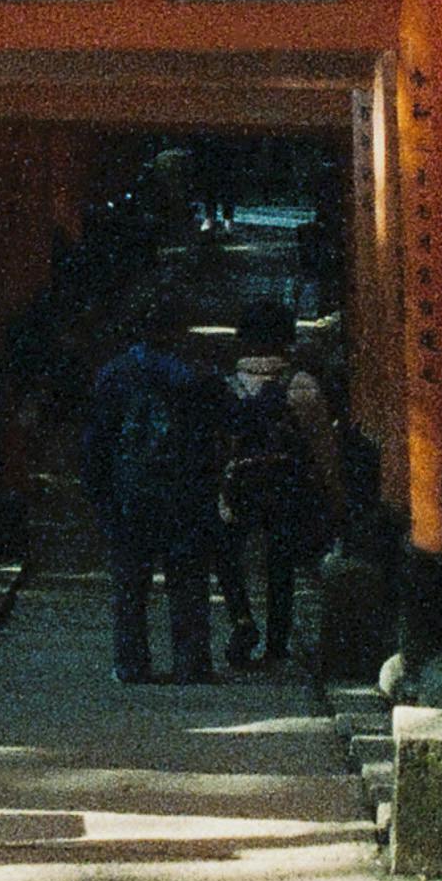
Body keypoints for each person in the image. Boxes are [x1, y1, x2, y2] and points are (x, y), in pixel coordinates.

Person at [81, 285, 230, 683]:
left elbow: (97, 441)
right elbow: (225, 423)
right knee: (187, 582)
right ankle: (191, 661)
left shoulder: (114, 374)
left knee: (130, 583)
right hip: (186, 493)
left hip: (130, 492)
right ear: (180, 327)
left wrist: (99, 494)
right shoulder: (198, 374)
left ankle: (131, 664)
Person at [217, 301, 342, 668]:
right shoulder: (302, 386)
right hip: (288, 487)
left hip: (240, 486)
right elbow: (323, 448)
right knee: (281, 565)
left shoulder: (228, 387)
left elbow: (217, 446)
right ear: (286, 339)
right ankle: (276, 645)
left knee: (228, 557)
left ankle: (241, 617)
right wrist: (334, 495)